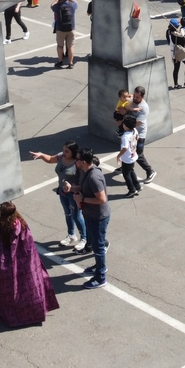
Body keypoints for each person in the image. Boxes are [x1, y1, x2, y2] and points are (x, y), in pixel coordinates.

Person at [28, 141, 86, 251]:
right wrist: (41, 155)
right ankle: (71, 235)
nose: (63, 153)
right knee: (68, 214)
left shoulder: (77, 163)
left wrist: (76, 189)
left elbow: (84, 179)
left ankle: (84, 238)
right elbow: (50, 159)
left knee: (76, 216)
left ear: (73, 152)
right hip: (62, 192)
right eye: (63, 150)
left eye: (67, 151)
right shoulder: (61, 157)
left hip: (73, 194)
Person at [73, 149, 109, 289]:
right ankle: (99, 267)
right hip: (90, 214)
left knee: (98, 247)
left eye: (77, 159)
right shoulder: (85, 172)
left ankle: (100, 277)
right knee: (94, 244)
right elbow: (82, 187)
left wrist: (82, 199)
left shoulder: (94, 176)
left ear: (83, 161)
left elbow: (101, 199)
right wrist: (71, 188)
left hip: (98, 216)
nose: (75, 161)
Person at [126, 86, 156, 184]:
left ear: (142, 97)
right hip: (132, 132)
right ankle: (125, 167)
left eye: (137, 97)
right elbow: (125, 98)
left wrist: (124, 119)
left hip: (140, 134)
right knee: (128, 150)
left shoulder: (144, 107)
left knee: (138, 154)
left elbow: (137, 123)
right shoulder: (132, 99)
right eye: (134, 95)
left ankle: (150, 171)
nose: (134, 98)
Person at [116, 114, 142, 197]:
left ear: (126, 126)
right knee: (131, 171)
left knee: (126, 174)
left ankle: (132, 189)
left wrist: (118, 156)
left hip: (127, 158)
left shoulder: (125, 136)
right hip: (133, 155)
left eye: (123, 124)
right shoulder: (135, 130)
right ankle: (137, 186)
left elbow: (125, 148)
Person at [52, 0, 76, 69]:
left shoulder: (57, 6)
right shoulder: (72, 5)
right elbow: (76, 2)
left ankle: (60, 61)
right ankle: (70, 63)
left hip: (60, 28)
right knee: (70, 46)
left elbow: (52, 5)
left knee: (60, 46)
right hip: (71, 28)